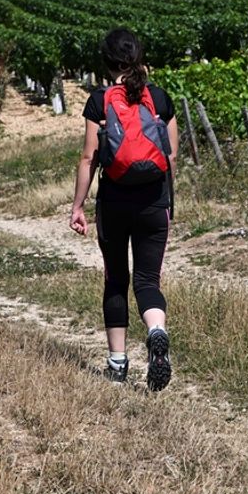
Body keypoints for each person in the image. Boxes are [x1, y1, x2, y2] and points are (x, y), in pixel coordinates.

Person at [69, 28, 177, 392]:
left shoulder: (99, 101)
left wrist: (78, 206)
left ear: (106, 61)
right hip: (154, 202)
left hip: (114, 203)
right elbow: (171, 156)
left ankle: (117, 365)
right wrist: (166, 199)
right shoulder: (159, 98)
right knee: (148, 280)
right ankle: (157, 331)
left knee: (116, 279)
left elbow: (88, 158)